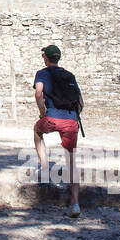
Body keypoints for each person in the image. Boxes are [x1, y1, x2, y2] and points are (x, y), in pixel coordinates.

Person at [32, 44, 84, 217]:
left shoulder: (43, 73)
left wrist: (42, 113)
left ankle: (45, 166)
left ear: (46, 58)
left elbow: (39, 93)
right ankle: (75, 204)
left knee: (37, 131)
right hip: (71, 122)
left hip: (52, 118)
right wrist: (74, 117)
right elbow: (81, 102)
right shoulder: (70, 75)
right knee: (71, 161)